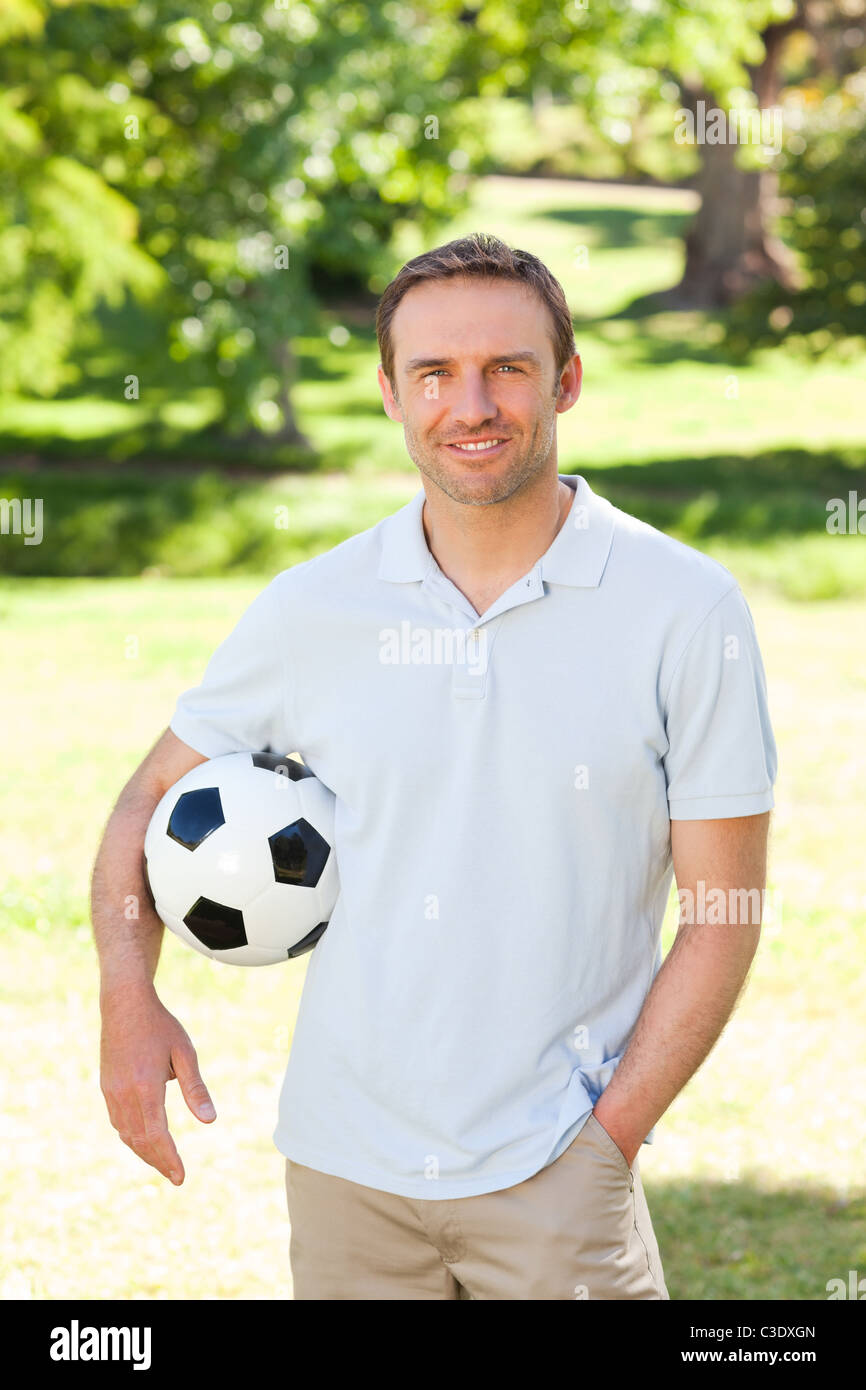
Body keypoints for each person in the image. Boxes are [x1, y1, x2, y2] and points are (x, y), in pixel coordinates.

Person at [92, 233, 777, 1301]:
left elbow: (723, 908)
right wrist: (128, 1002)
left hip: (556, 1171)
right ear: (388, 393)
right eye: (433, 374)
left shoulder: (684, 611)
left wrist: (605, 1138)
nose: (472, 405)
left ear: (566, 379)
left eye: (506, 367)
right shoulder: (312, 609)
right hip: (340, 1170)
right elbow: (145, 802)